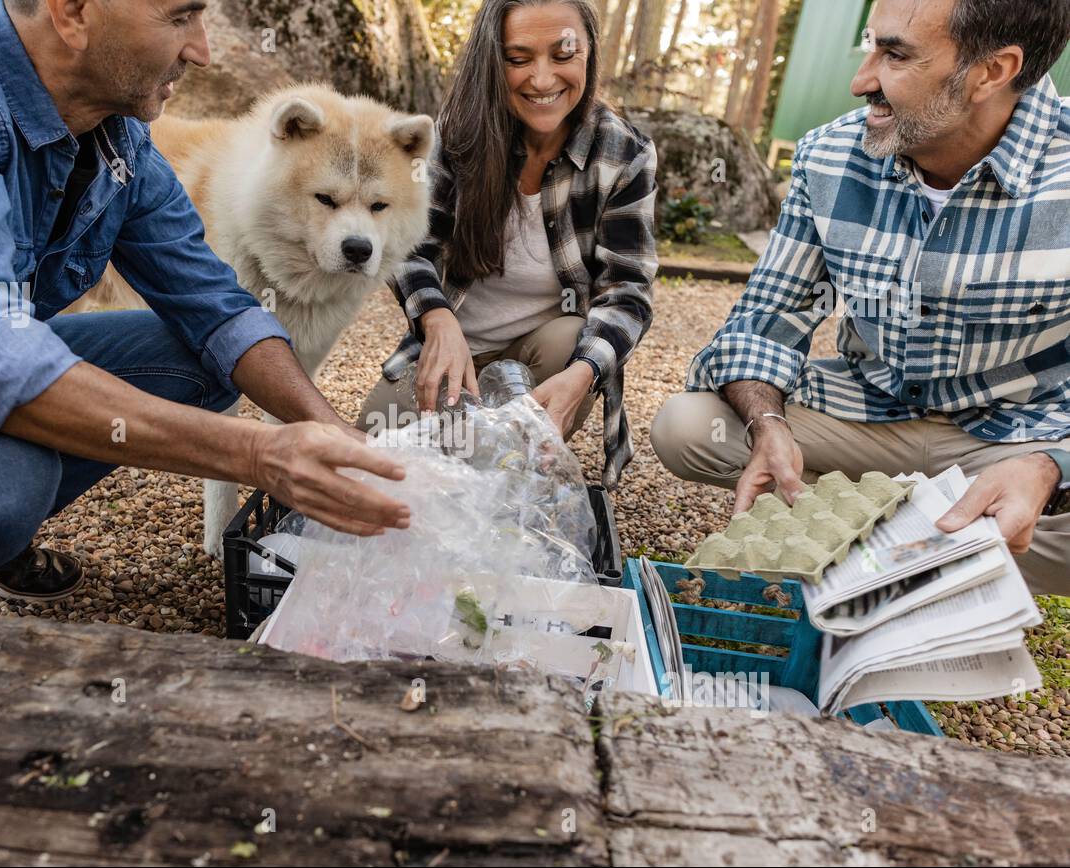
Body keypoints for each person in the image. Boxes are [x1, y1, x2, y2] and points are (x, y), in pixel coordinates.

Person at [0, 0, 409, 605]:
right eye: (180, 16)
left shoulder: (115, 135)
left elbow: (216, 307)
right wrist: (260, 455)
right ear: (74, 12)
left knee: (203, 360)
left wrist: (327, 430)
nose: (203, 51)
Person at [650, 0, 1070, 596]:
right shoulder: (828, 156)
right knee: (688, 426)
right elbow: (768, 320)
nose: (860, 79)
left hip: (1019, 435)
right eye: (870, 44)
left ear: (992, 71)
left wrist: (1049, 466)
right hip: (869, 416)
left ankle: (892, 537)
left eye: (894, 54)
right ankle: (937, 542)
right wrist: (769, 422)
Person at [356, 0, 658, 489]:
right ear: (492, 63)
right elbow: (410, 248)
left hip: (544, 357)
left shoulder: (624, 153)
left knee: (568, 344)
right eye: (518, 59)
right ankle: (488, 452)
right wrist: (438, 321)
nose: (542, 80)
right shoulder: (454, 136)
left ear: (589, 54)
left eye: (563, 54)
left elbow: (628, 291)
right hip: (450, 347)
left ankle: (515, 455)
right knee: (374, 470)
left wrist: (584, 374)